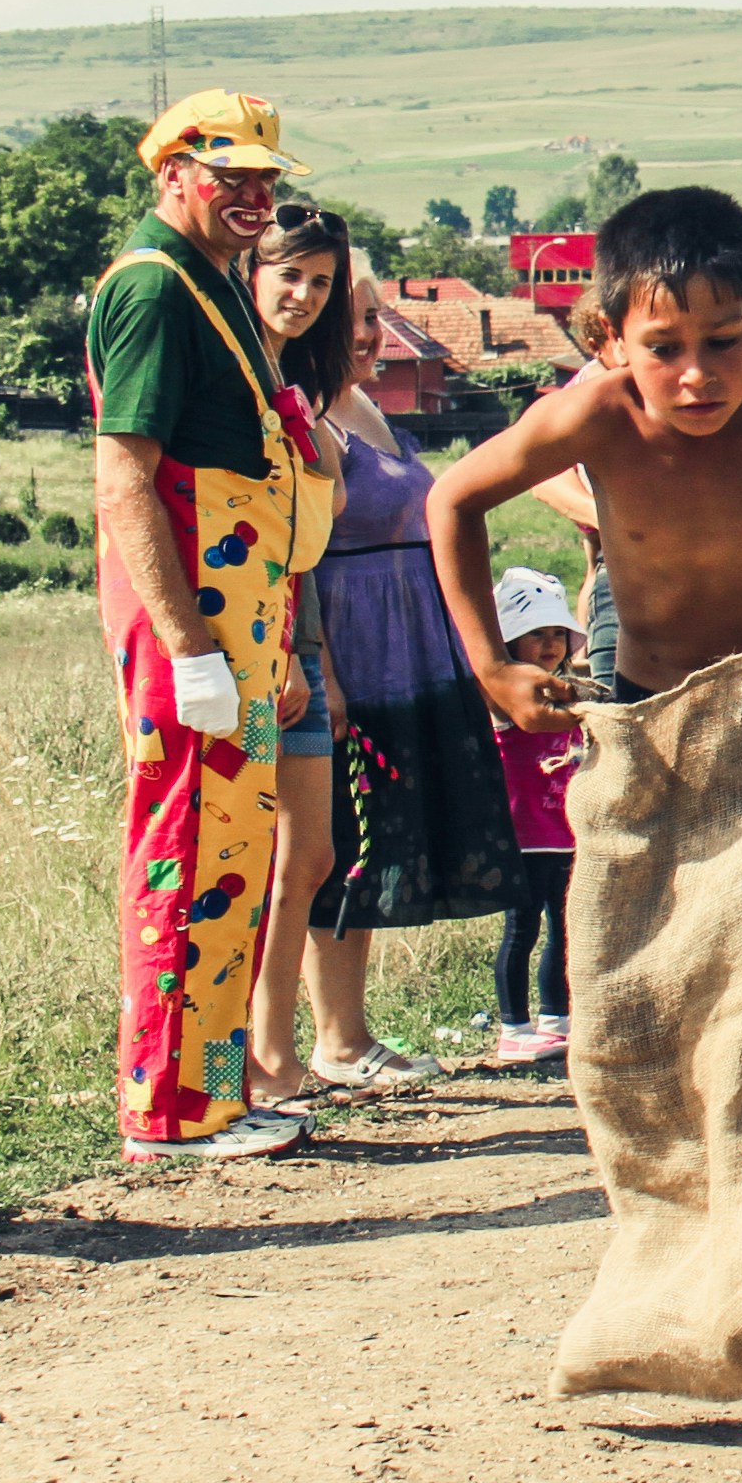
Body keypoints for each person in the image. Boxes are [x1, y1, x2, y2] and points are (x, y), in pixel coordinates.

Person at [423, 173, 742, 866]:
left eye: (723, 340)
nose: (697, 375)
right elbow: (452, 498)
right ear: (613, 337)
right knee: (641, 944)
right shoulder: (593, 420)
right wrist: (491, 667)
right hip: (645, 713)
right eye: (664, 348)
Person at [88, 92, 323, 1160]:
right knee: (188, 852)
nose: (254, 196)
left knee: (233, 862)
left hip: (240, 621)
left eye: (266, 179)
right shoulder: (150, 288)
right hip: (193, 624)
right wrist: (188, 649)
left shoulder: (211, 282)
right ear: (173, 170)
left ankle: (218, 1092)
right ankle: (166, 1109)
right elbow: (124, 481)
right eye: (231, 175)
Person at [303, 272, 529, 1082]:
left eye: (374, 316)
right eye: (355, 320)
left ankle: (348, 1032)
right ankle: (335, 1040)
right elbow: (300, 560)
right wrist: (322, 670)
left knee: (378, 838)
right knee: (343, 843)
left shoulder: (368, 408)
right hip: (356, 648)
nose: (370, 334)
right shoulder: (309, 416)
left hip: (411, 642)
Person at [241, 203, 358, 1110]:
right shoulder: (236, 386)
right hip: (246, 655)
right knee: (240, 867)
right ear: (251, 272)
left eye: (321, 281)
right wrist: (275, 653)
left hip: (302, 650)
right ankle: (227, 1068)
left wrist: (319, 661)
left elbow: (301, 552)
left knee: (308, 859)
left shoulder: (296, 391)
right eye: (288, 274)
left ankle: (276, 1053)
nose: (304, 295)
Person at [485, 570, 583, 1061]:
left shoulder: (570, 696)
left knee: (565, 927)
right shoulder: (503, 701)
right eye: (536, 634)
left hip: (565, 837)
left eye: (557, 633)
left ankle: (556, 1017)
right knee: (520, 930)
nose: (550, 644)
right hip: (521, 837)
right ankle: (513, 1028)